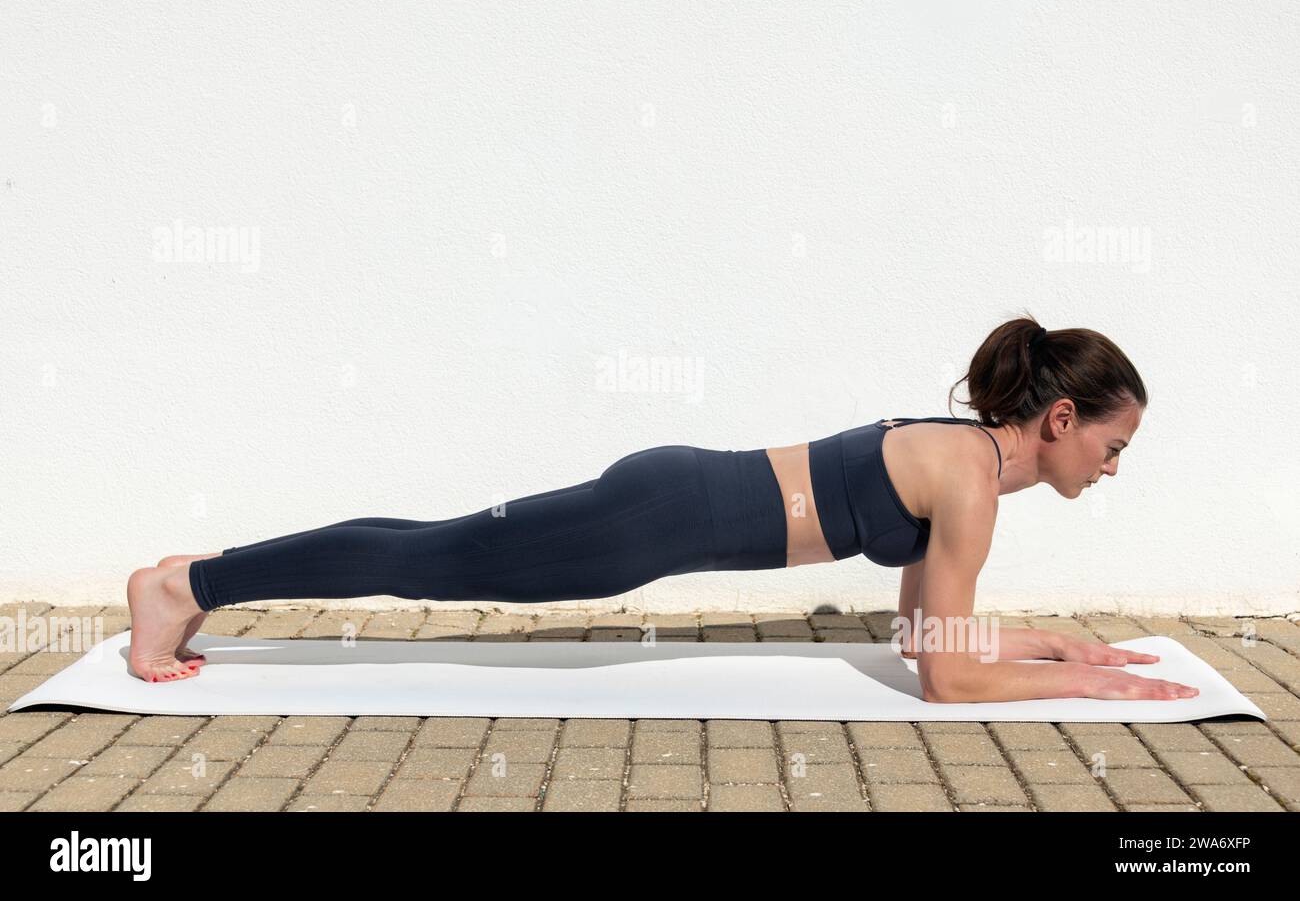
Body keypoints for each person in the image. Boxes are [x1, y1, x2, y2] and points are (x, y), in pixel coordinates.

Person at [126, 315, 1198, 704]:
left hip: (667, 498)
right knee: (434, 556)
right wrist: (1095, 686)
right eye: (1113, 445)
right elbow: (949, 678)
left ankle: (196, 580)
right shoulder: (969, 479)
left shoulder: (966, 462)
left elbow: (924, 634)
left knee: (435, 551)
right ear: (1059, 417)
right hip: (651, 515)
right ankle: (185, 582)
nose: (1113, 466)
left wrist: (1052, 642)